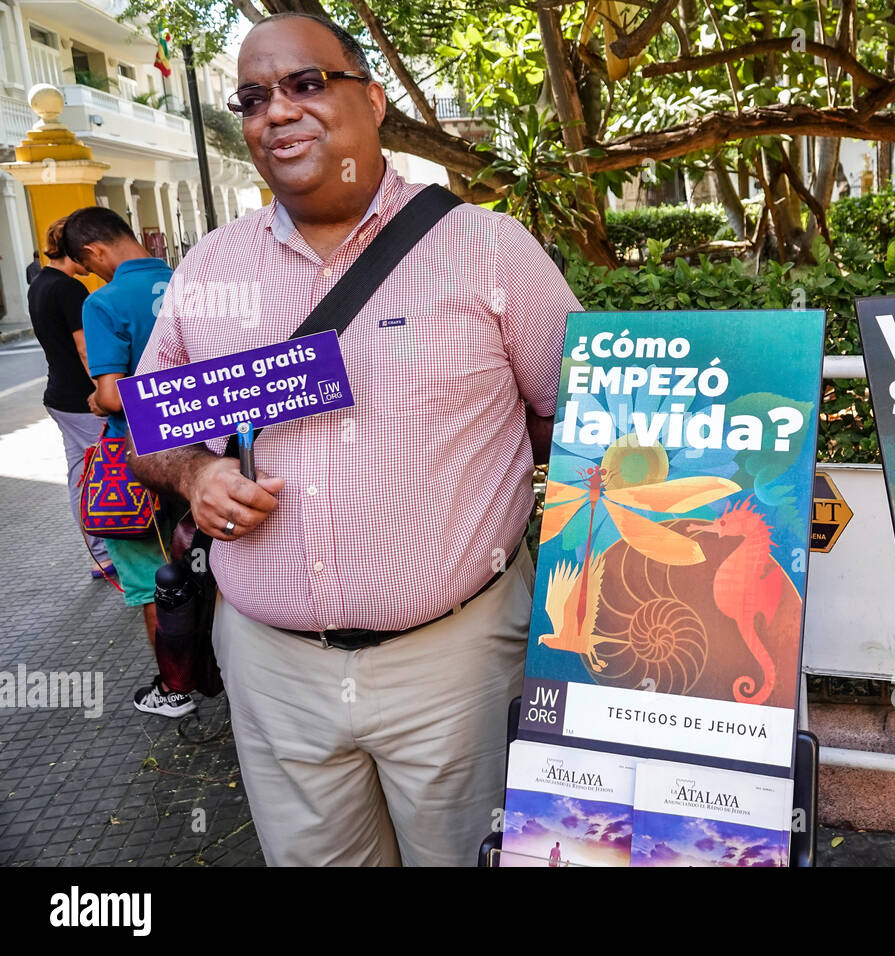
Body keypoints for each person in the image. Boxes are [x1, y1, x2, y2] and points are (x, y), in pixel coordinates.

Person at [128, 12, 577, 866]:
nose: (278, 112)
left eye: (306, 84)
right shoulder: (210, 270)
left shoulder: (487, 247)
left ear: (371, 100)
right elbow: (152, 429)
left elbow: (578, 419)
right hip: (272, 671)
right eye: (254, 98)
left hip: (456, 665)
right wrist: (195, 475)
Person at [64, 206, 194, 719]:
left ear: (93, 252)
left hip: (139, 462)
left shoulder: (104, 302)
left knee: (151, 582)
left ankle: (176, 686)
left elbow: (114, 395)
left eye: (87, 264)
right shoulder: (190, 279)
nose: (92, 272)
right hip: (205, 451)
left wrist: (99, 401)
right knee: (209, 567)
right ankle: (228, 672)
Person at [27, 217, 114, 578]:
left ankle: (99, 555)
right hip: (82, 400)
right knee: (110, 473)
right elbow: (84, 348)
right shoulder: (68, 289)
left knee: (81, 475)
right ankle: (114, 552)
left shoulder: (39, 284)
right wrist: (101, 391)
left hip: (58, 396)